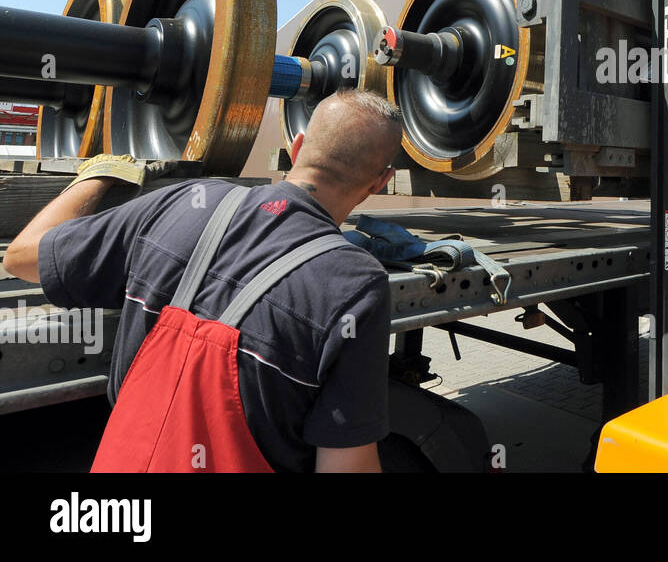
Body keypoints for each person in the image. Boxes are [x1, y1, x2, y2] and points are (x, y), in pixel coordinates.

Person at [4, 89, 404, 471]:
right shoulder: (356, 283)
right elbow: (345, 466)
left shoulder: (184, 199)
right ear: (379, 182)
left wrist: (99, 175)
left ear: (296, 147)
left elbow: (21, 258)